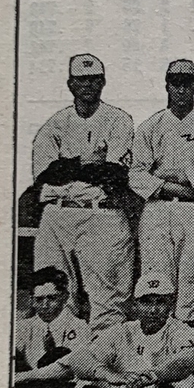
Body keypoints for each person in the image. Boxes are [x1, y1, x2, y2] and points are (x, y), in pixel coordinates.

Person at [30, 53, 135, 332]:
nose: (87, 85)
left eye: (93, 79)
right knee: (53, 294)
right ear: (70, 84)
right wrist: (87, 162)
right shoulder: (56, 122)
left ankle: (105, 365)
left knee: (108, 299)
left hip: (100, 214)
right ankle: (59, 363)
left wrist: (66, 166)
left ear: (102, 82)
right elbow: (44, 174)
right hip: (57, 214)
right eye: (81, 80)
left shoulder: (118, 120)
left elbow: (114, 174)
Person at [128, 59, 194, 337]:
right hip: (159, 209)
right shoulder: (151, 125)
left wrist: (166, 174)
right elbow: (136, 174)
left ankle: (191, 343)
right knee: (158, 277)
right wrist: (180, 186)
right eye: (176, 84)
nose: (181, 90)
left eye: (187, 84)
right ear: (167, 86)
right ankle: (157, 344)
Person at [11, 267, 90, 388]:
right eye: (39, 300)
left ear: (64, 297)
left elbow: (68, 369)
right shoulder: (25, 327)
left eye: (51, 298)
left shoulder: (79, 326)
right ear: (31, 299)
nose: (45, 305)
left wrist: (21, 377)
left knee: (58, 355)